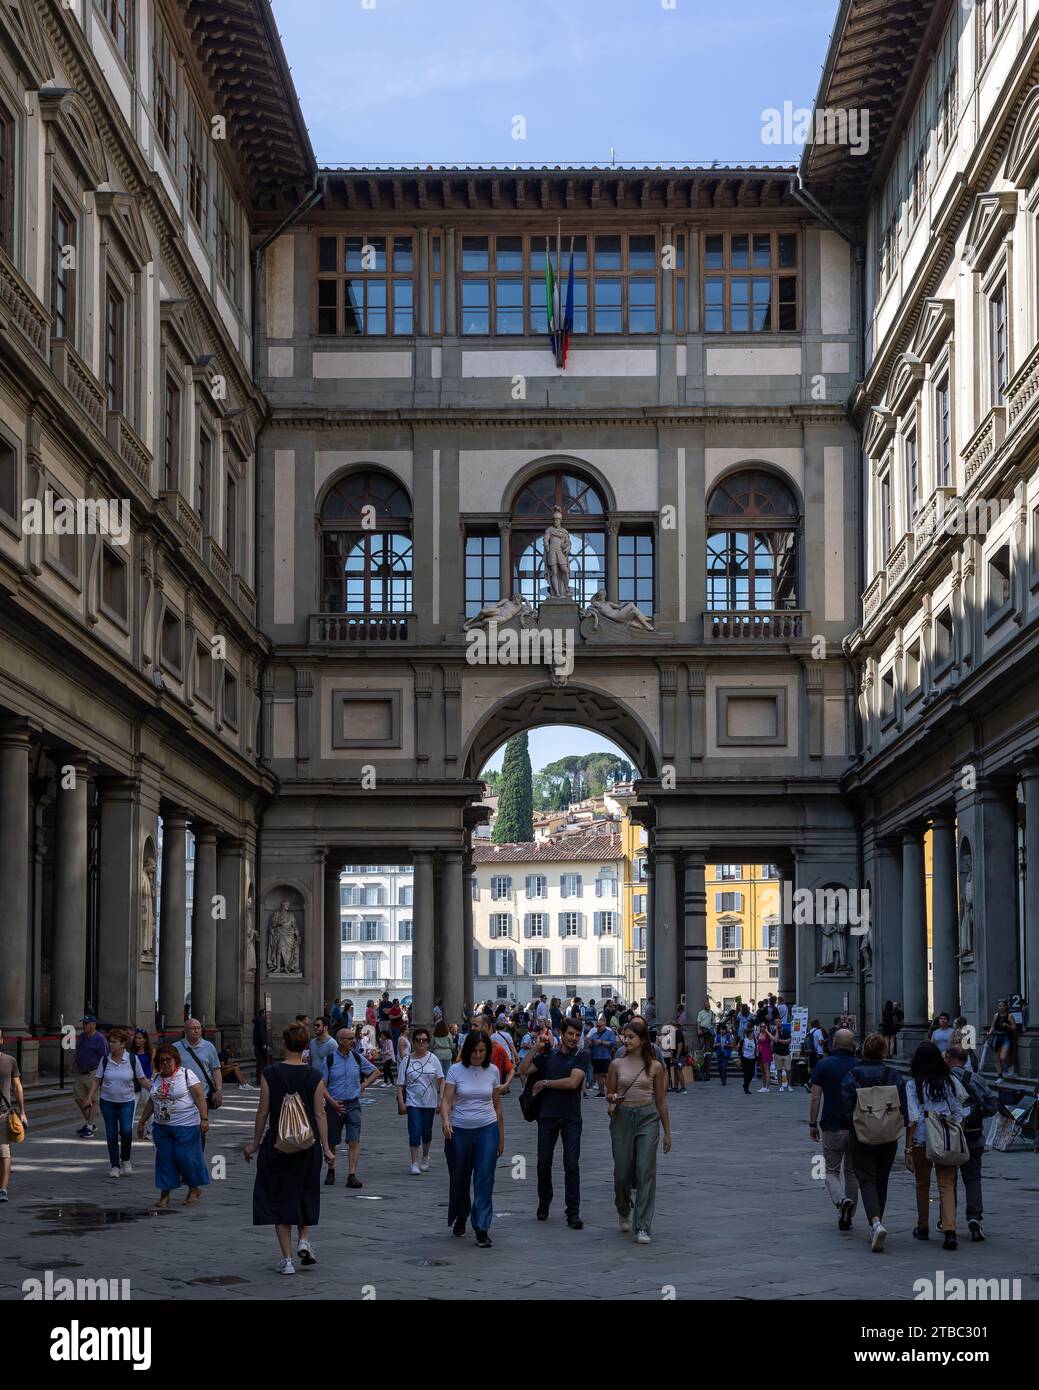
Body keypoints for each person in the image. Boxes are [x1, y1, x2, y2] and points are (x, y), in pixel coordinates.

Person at [245, 1021, 334, 1275]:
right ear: (306, 1046)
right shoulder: (314, 1075)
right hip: (308, 1145)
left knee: (279, 1198)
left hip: (278, 1145)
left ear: (284, 1043)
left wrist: (254, 1143)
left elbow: (262, 1112)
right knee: (306, 1193)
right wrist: (327, 1148)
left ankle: (286, 1261)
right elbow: (320, 1115)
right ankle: (303, 1239)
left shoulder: (270, 1074)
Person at [518, 1016, 589, 1229]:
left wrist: (545, 1082)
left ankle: (573, 1211)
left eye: (577, 1035)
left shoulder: (581, 1056)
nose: (573, 1039)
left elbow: (573, 1082)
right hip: (547, 1116)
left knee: (571, 1164)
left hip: (571, 1118)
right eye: (570, 1034)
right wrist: (536, 1048)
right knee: (543, 1163)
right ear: (561, 1033)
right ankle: (544, 1199)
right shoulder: (549, 1056)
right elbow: (522, 1070)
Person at [840, 1033, 907, 1252]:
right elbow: (904, 1104)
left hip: (862, 1133)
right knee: (882, 1178)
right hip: (888, 1134)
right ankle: (875, 1223)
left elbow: (847, 1104)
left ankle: (875, 1221)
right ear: (884, 1052)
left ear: (864, 1051)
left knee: (866, 1178)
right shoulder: (893, 1074)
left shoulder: (854, 1074)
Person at [606, 1018, 671, 1244]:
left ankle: (643, 1225)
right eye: (624, 1036)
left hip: (647, 1118)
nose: (626, 1040)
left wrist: (667, 1132)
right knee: (621, 1173)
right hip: (623, 1118)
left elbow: (661, 1101)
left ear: (643, 1040)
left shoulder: (655, 1066)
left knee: (645, 1171)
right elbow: (609, 1094)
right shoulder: (616, 1064)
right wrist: (612, 1100)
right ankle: (623, 1209)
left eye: (631, 1037)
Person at [441, 1029, 505, 1247]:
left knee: (484, 1178)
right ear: (467, 1050)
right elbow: (447, 1101)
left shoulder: (493, 1071)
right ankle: (461, 1213)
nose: (478, 1055)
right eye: (474, 1051)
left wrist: (501, 1137)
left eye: (482, 1051)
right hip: (459, 1129)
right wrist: (445, 1120)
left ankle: (482, 1227)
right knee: (459, 1177)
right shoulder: (456, 1071)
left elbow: (497, 1105)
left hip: (487, 1129)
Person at [906, 1040, 965, 1251]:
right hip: (946, 1139)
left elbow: (913, 1118)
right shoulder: (949, 1081)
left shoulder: (913, 1084)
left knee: (922, 1184)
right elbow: (958, 1112)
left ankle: (923, 1227)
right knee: (947, 1184)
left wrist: (907, 1147)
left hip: (922, 1139)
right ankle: (949, 1230)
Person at [136, 1043, 209, 1207]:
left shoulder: (186, 1074)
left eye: (168, 1060)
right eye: (161, 1061)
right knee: (164, 1159)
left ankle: (194, 1188)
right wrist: (141, 1122)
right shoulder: (156, 1078)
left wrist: (204, 1119)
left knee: (185, 1158)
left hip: (187, 1125)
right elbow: (150, 1102)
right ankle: (165, 1193)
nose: (165, 1064)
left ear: (175, 1060)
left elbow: (199, 1097)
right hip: (162, 1127)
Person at [809, 1028, 861, 1232]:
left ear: (834, 1044)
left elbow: (815, 1097)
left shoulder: (823, 1065)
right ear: (853, 1045)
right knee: (852, 1173)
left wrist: (812, 1124)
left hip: (832, 1123)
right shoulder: (859, 1066)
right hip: (856, 1125)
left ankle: (841, 1201)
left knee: (830, 1171)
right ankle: (848, 1217)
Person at [945, 1042, 996, 1242]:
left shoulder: (943, 1080)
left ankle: (947, 1219)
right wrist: (976, 1115)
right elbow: (992, 1106)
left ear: (949, 1057)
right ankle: (974, 1218)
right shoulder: (976, 1079)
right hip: (973, 1137)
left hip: (948, 1138)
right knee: (973, 1178)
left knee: (948, 1181)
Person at [86, 1027, 148, 1177]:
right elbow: (97, 1079)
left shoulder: (132, 1059)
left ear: (122, 1044)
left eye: (114, 1042)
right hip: (108, 1102)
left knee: (126, 1131)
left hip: (127, 1101)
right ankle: (114, 1165)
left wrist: (155, 1090)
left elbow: (141, 1079)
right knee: (111, 1133)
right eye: (110, 1041)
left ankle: (125, 1159)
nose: (110, 1044)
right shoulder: (105, 1060)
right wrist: (89, 1096)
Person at [323, 1026, 381, 1187]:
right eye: (349, 1038)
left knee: (354, 1139)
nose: (353, 1041)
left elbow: (375, 1072)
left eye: (353, 1038)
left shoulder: (356, 1058)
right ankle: (331, 1170)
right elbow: (322, 1085)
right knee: (332, 1140)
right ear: (340, 1041)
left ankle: (352, 1174)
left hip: (353, 1103)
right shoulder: (329, 1060)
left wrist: (363, 1085)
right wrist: (332, 1102)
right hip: (334, 1105)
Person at [397, 1026, 445, 1174]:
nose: (421, 1042)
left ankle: (425, 1156)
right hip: (413, 1101)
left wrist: (441, 1099)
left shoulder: (433, 1059)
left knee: (427, 1132)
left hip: (430, 1101)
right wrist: (401, 1101)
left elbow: (442, 1079)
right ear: (414, 1041)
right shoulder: (407, 1059)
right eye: (418, 1040)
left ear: (428, 1042)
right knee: (415, 1131)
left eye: (424, 1040)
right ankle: (414, 1162)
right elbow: (400, 1084)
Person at [174, 1019, 222, 1145]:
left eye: (199, 1028)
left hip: (203, 1095)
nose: (196, 1030)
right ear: (185, 1031)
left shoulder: (208, 1047)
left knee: (201, 1128)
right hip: (182, 1096)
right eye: (193, 1028)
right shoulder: (176, 1047)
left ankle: (197, 1157)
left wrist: (219, 1090)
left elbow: (215, 1070)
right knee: (183, 1129)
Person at [0, 1027, 27, 1203]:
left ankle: (2, 1189)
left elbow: (18, 1087)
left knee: (4, 1152)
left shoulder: (9, 1061)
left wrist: (23, 1112)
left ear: (2, 1040)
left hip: (3, 1114)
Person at [73, 1014, 108, 1137]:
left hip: (93, 1072)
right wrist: (72, 1064)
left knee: (92, 1099)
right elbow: (78, 1051)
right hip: (81, 1071)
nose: (84, 1026)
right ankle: (90, 1122)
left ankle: (89, 1126)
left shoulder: (100, 1039)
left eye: (86, 1023)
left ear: (93, 1025)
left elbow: (105, 1057)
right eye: (83, 1023)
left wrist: (103, 1074)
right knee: (78, 1097)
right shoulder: (82, 1036)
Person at [586, 1015, 618, 1097]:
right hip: (596, 1056)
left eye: (600, 1026)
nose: (598, 1027)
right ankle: (601, 1092)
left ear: (604, 1025)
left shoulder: (609, 1033)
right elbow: (590, 1046)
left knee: (606, 1075)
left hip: (605, 1057)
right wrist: (591, 1043)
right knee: (598, 1075)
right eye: (597, 1026)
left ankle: (609, 1092)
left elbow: (613, 1043)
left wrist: (601, 1042)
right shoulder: (594, 1034)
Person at [987, 1000, 1017, 1078]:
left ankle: (1010, 1065)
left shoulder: (1009, 1016)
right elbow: (993, 1026)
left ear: (1006, 1007)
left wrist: (1007, 1026)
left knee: (1003, 1057)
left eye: (1003, 1006)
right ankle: (1000, 1077)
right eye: (1000, 1006)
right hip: (996, 1037)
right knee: (997, 1058)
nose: (1001, 1007)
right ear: (998, 1007)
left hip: (1006, 1038)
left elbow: (1014, 1028)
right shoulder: (996, 1015)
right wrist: (990, 1032)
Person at [773, 1015, 792, 1092]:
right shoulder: (774, 1031)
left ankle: (789, 1085)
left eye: (779, 1022)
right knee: (779, 1070)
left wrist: (780, 1041)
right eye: (776, 1022)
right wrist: (777, 1031)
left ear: (781, 1022)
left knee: (788, 1070)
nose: (778, 1023)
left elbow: (788, 1041)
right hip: (777, 1053)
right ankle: (780, 1085)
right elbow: (775, 1040)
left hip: (786, 1053)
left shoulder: (787, 1031)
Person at [739, 1024, 758, 1094]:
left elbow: (756, 1049)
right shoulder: (744, 1040)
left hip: (752, 1059)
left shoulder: (754, 1040)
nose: (754, 1034)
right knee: (746, 1074)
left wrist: (757, 1056)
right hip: (745, 1059)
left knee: (751, 1074)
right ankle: (746, 1088)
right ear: (749, 1033)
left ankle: (745, 1085)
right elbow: (741, 1049)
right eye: (753, 1033)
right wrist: (741, 1057)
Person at [756, 1021, 773, 1092]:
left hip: (766, 1052)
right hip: (760, 1053)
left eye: (764, 1027)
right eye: (761, 1027)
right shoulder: (758, 1034)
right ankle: (763, 1086)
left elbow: (773, 1039)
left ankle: (767, 1087)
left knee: (766, 1070)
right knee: (762, 1070)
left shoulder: (767, 1034)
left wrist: (767, 1031)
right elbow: (757, 1043)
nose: (762, 1028)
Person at [252, 1009, 270, 1077]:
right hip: (260, 1045)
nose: (267, 1015)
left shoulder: (259, 1020)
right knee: (261, 1062)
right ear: (262, 1014)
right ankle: (261, 1077)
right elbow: (261, 1032)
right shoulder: (261, 1020)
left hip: (258, 1044)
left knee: (260, 1062)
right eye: (266, 1013)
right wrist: (264, 1043)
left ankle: (259, 1077)